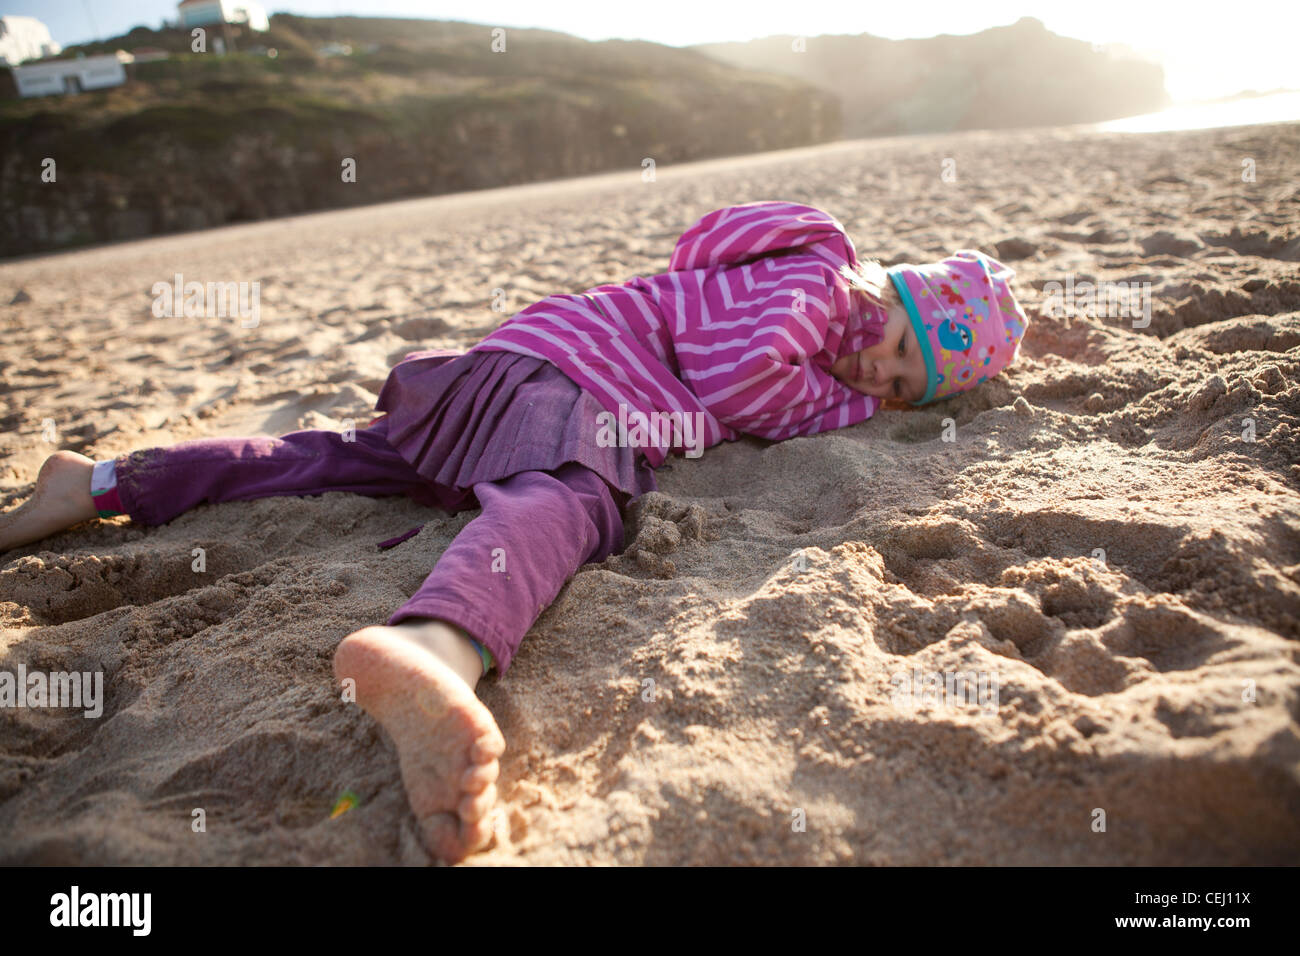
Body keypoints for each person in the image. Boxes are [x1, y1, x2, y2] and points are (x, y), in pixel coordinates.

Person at [0, 200, 1030, 862]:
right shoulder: (815, 290)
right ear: (896, 290)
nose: (873, 378)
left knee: (340, 456)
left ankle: (94, 481)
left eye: (897, 388)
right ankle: (429, 645)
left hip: (514, 361)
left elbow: (698, 245)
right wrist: (840, 384)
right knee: (572, 498)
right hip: (574, 379)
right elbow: (737, 384)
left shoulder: (803, 262)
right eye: (895, 346)